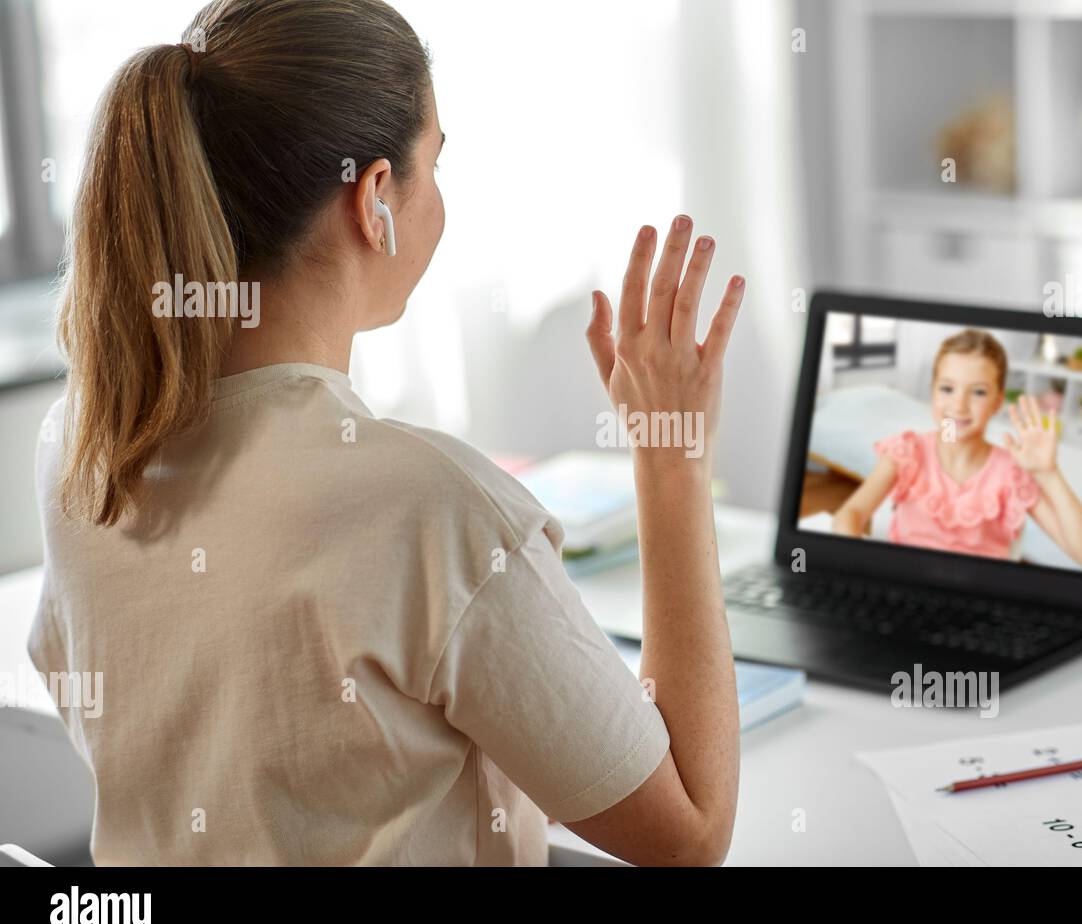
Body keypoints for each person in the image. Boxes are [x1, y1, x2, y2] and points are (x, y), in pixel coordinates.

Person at [29, 0, 743, 866]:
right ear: (374, 200)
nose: (441, 196)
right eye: (435, 163)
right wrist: (671, 459)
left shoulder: (80, 450)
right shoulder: (434, 508)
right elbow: (691, 834)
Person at [832, 329, 1082, 567]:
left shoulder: (1011, 473)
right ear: (933, 392)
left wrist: (1049, 474)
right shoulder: (908, 452)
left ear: (997, 402)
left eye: (978, 392)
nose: (959, 406)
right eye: (948, 389)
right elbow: (851, 514)